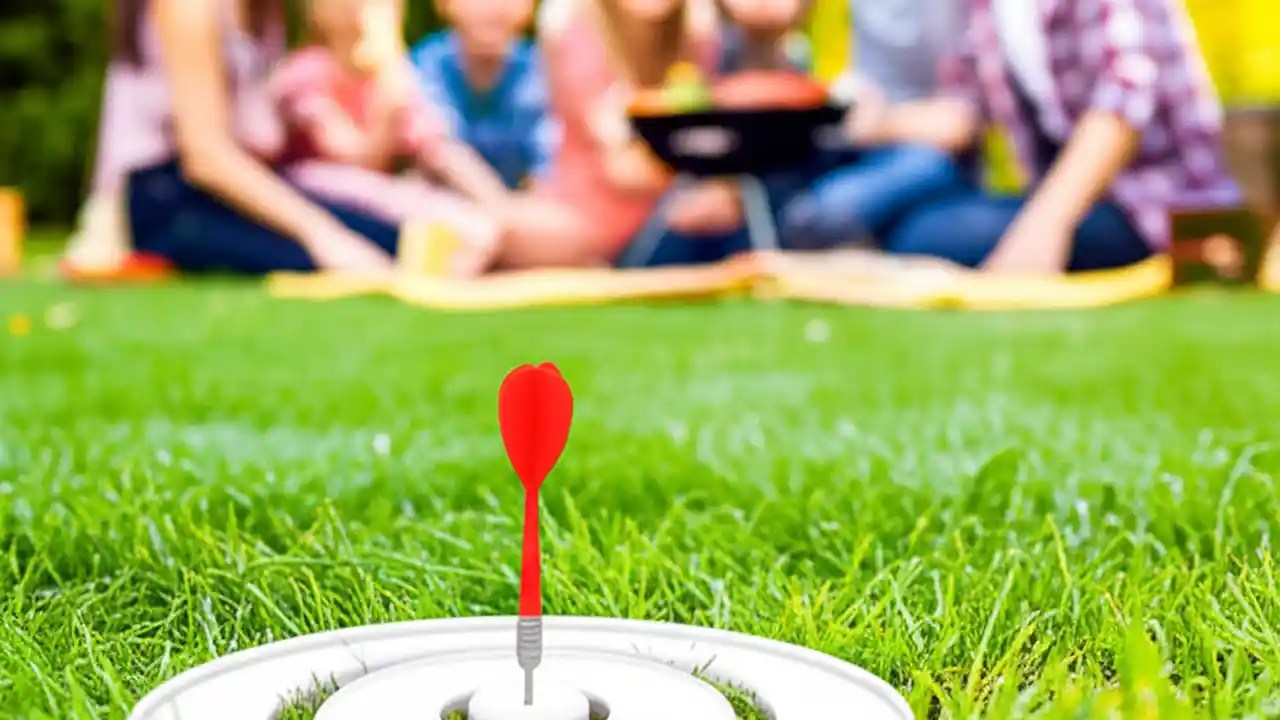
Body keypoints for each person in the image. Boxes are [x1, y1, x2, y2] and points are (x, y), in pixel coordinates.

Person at [869, 0, 1243, 274]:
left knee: (929, 236)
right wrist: (878, 122)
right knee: (913, 225)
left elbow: (1122, 107)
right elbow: (964, 109)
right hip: (1071, 201)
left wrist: (1045, 229)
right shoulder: (987, 8)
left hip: (1153, 208)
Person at [93, 0, 401, 275]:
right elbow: (204, 158)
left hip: (237, 187)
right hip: (170, 200)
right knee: (345, 252)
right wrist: (323, 235)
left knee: (391, 239)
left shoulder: (264, 11)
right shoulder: (189, 6)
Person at [270, 0, 507, 277]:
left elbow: (435, 147)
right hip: (319, 191)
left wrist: (498, 203)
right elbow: (355, 158)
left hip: (374, 192)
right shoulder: (306, 73)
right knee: (458, 226)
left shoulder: (384, 75)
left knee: (476, 226)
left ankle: (442, 284)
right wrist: (390, 73)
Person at [410, 0, 557, 190]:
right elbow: (438, 148)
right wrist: (500, 203)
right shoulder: (426, 65)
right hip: (444, 198)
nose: (491, 6)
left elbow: (548, 160)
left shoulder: (542, 72)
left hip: (523, 200)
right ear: (443, 4)